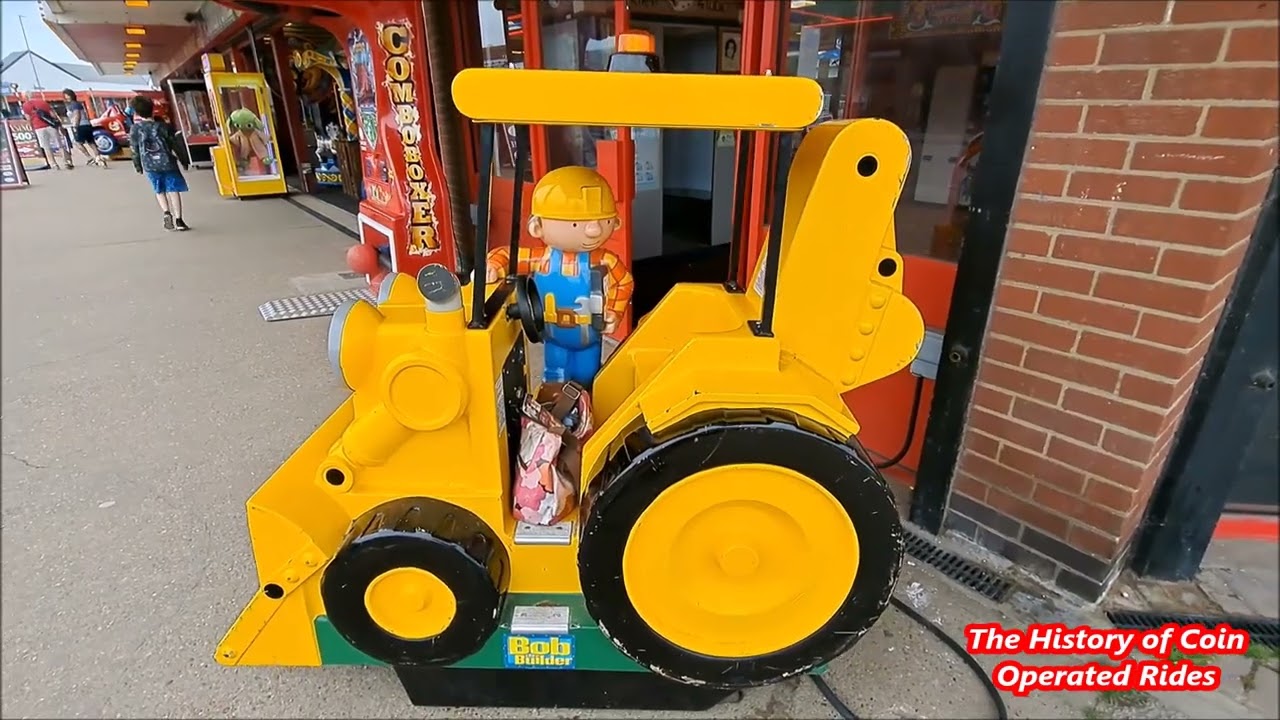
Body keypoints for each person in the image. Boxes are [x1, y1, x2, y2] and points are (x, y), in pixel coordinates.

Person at [483, 166, 634, 388]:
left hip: (589, 339)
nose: (593, 231)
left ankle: (585, 413)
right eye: (576, 224)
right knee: (554, 376)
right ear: (537, 227)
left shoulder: (603, 260)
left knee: (588, 377)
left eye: (603, 222)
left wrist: (614, 312)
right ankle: (557, 414)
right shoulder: (542, 259)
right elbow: (507, 255)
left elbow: (624, 282)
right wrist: (494, 265)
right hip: (554, 337)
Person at [129, 95, 191, 231]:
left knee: (159, 190)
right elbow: (175, 145)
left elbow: (134, 149)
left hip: (150, 165)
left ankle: (166, 212)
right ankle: (179, 220)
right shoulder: (163, 127)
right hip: (168, 162)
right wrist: (184, 161)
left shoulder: (135, 129)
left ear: (137, 113)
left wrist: (138, 165)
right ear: (152, 109)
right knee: (173, 190)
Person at [20, 94, 72, 170]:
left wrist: (32, 127)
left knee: (46, 147)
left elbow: (28, 119)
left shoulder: (25, 106)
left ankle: (54, 164)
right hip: (50, 125)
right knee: (59, 144)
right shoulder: (42, 102)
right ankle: (66, 162)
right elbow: (52, 114)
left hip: (38, 127)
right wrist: (59, 124)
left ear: (24, 97)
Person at [62, 89, 108, 169]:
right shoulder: (78, 104)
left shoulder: (73, 105)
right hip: (87, 124)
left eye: (66, 95)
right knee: (91, 142)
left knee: (77, 142)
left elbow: (77, 114)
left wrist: (75, 125)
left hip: (80, 125)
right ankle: (98, 157)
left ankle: (89, 157)